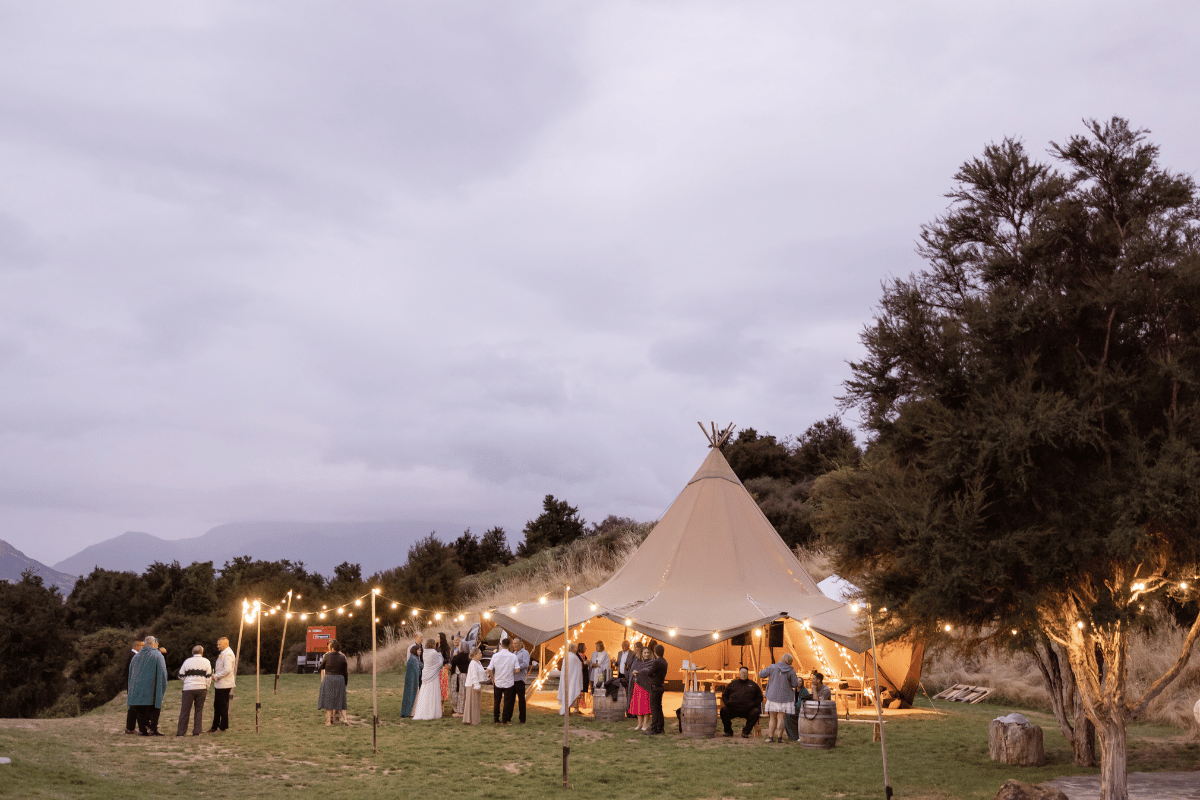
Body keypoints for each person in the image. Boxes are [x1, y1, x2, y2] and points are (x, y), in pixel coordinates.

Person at [128, 636, 168, 736]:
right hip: (152, 687)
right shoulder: (157, 655)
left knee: (140, 709)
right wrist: (163, 685)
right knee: (155, 707)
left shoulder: (136, 656)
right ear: (153, 644)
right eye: (157, 644)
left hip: (136, 688)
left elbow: (130, 673)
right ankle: (153, 729)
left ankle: (142, 729)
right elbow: (163, 672)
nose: (158, 645)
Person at [759, 653, 799, 743]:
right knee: (781, 718)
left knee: (772, 718)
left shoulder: (773, 667)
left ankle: (770, 738)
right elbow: (795, 684)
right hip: (785, 697)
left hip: (772, 695)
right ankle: (780, 738)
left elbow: (761, 674)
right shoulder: (791, 670)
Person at [175, 645, 212, 737]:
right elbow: (209, 677)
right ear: (202, 652)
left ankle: (181, 732)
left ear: (192, 652)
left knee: (185, 710)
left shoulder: (187, 661)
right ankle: (197, 731)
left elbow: (180, 675)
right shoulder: (206, 661)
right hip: (201, 688)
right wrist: (206, 687)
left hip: (188, 688)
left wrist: (187, 679)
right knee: (199, 710)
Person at [720, 666, 763, 738]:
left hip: (748, 710)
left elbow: (760, 697)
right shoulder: (732, 684)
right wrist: (727, 703)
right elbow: (724, 695)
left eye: (745, 673)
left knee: (755, 711)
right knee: (723, 710)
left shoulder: (753, 685)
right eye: (742, 673)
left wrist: (753, 704)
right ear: (739, 674)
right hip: (733, 709)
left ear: (748, 674)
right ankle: (728, 731)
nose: (744, 674)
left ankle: (745, 732)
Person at [412, 638, 445, 720]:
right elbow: (439, 664)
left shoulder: (425, 652)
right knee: (432, 692)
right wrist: (440, 655)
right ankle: (432, 712)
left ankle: (423, 711)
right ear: (433, 644)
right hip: (433, 676)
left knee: (425, 693)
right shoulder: (434, 653)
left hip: (426, 674)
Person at [317, 640, 349, 725]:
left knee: (329, 700)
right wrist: (345, 682)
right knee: (341, 699)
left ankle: (328, 721)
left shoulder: (326, 656)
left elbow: (321, 667)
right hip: (340, 679)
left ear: (332, 647)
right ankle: (344, 719)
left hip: (329, 678)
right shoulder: (343, 657)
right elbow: (345, 672)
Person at [488, 637, 518, 724]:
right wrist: (511, 669)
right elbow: (518, 669)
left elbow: (489, 669)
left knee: (497, 701)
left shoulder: (495, 655)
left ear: (501, 645)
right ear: (509, 646)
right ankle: (505, 720)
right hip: (509, 682)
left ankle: (496, 720)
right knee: (507, 702)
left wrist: (492, 678)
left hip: (498, 681)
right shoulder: (513, 656)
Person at [208, 636, 235, 732]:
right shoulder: (224, 653)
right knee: (217, 705)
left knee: (222, 706)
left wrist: (215, 676)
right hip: (220, 684)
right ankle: (215, 726)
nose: (217, 646)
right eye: (217, 644)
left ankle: (222, 726)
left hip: (224, 684)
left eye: (219, 644)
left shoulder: (228, 654)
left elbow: (227, 669)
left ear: (225, 644)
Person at [643, 644, 668, 735]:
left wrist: (651, 673)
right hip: (661, 686)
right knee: (659, 708)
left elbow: (650, 673)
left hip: (655, 687)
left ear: (655, 652)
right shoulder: (664, 661)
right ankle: (660, 728)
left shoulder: (656, 662)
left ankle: (653, 728)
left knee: (654, 708)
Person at [556, 640, 584, 717]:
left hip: (568, 678)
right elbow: (578, 665)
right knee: (570, 693)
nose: (576, 650)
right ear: (572, 648)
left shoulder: (567, 656)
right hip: (571, 679)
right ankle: (566, 711)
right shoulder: (573, 657)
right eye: (575, 648)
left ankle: (567, 711)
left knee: (567, 694)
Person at [627, 646, 652, 731]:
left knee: (646, 706)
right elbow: (631, 671)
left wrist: (642, 673)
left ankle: (645, 724)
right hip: (637, 686)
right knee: (638, 706)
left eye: (648, 653)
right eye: (645, 652)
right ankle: (639, 724)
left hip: (646, 687)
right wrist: (633, 673)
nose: (646, 654)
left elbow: (651, 674)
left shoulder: (652, 663)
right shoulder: (637, 662)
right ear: (642, 653)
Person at [122, 638, 144, 735]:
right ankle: (130, 728)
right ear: (137, 646)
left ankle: (131, 727)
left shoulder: (133, 655)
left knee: (134, 706)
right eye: (143, 646)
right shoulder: (134, 656)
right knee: (134, 707)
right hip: (133, 685)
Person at [512, 637, 536, 724]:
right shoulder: (514, 653)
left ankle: (522, 719)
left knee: (521, 699)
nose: (514, 645)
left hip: (520, 679)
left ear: (521, 643)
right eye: (513, 644)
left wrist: (516, 667)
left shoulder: (525, 653)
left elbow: (525, 664)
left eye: (516, 644)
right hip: (513, 679)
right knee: (511, 699)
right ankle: (508, 717)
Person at [462, 647, 487, 725]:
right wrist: (477, 686)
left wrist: (488, 671)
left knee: (476, 703)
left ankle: (475, 719)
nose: (481, 654)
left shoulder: (478, 662)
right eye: (479, 653)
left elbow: (480, 672)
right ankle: (472, 720)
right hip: (473, 685)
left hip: (477, 684)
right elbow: (474, 676)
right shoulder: (473, 663)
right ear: (475, 654)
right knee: (473, 703)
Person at [400, 633, 422, 718]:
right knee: (412, 695)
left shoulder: (415, 659)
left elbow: (422, 666)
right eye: (419, 650)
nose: (420, 651)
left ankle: (413, 711)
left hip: (414, 680)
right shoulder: (413, 659)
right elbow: (416, 669)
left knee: (415, 695)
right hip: (412, 681)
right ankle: (410, 712)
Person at [448, 641, 471, 717]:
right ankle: (463, 710)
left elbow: (453, 662)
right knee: (463, 693)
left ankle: (459, 711)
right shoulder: (469, 656)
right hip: (465, 676)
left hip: (459, 676)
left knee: (458, 693)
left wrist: (454, 656)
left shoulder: (459, 656)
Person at [437, 632, 452, 703]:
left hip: (442, 668)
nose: (437, 638)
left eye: (438, 637)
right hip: (435, 669)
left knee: (442, 686)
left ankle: (442, 704)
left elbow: (448, 658)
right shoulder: (436, 646)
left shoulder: (445, 647)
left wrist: (440, 662)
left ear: (441, 638)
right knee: (436, 686)